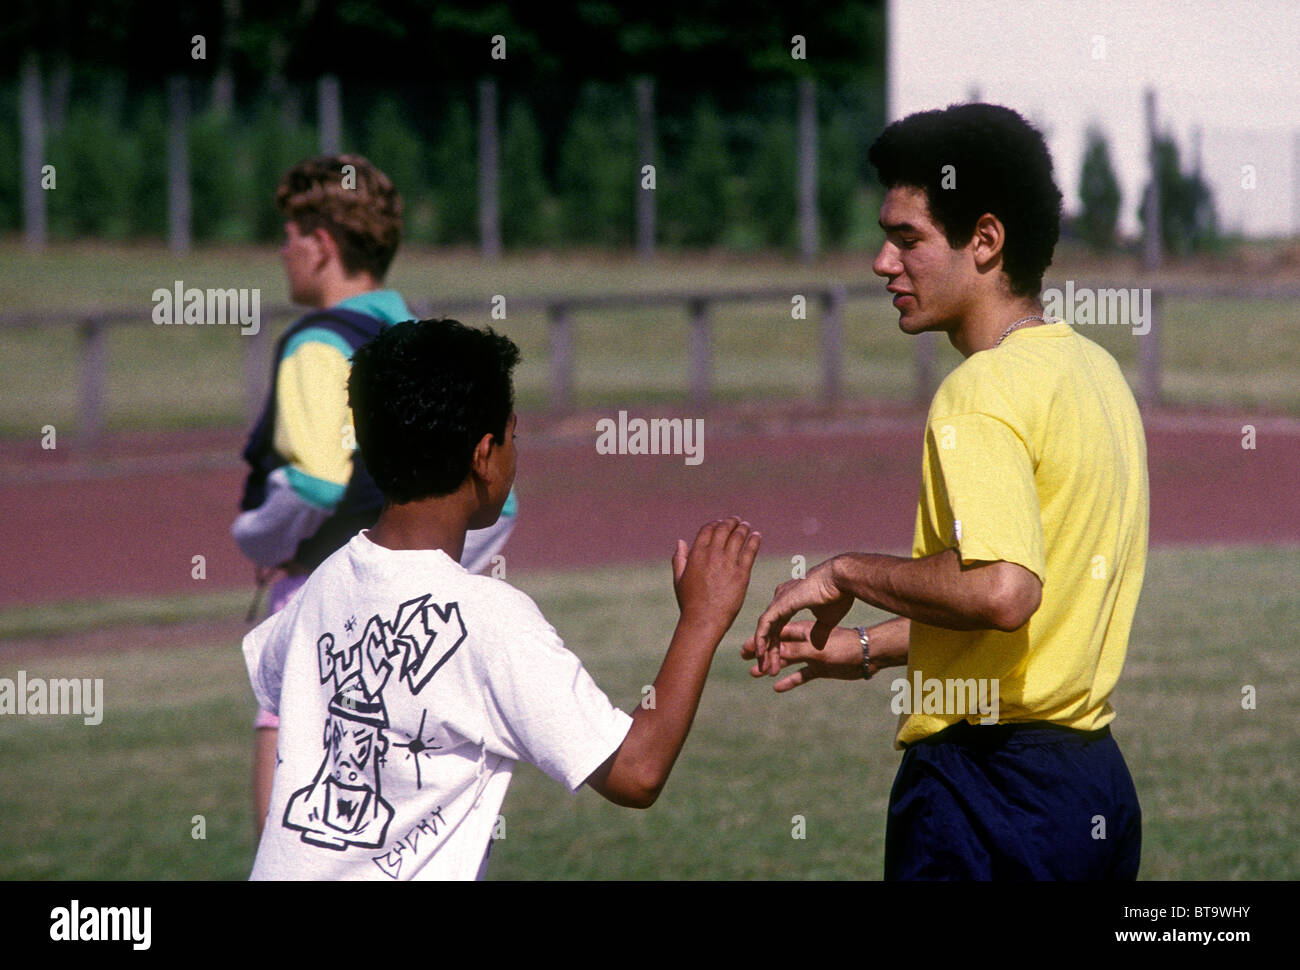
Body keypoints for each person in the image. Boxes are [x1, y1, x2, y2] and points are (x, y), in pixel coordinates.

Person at [745, 103, 1148, 880]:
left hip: (986, 793)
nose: (881, 263)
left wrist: (844, 572)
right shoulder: (1096, 376)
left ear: (986, 241)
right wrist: (864, 650)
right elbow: (1039, 610)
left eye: (907, 239)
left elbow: (1003, 592)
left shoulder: (982, 390)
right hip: (1091, 785)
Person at [242, 318, 760, 879]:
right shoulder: (489, 619)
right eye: (515, 435)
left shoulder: (324, 582)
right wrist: (702, 619)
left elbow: (280, 684)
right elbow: (636, 771)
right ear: (484, 455)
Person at [233, 154, 517, 838]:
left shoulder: (315, 344)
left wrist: (255, 539)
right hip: (430, 623)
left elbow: (313, 484)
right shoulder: (425, 343)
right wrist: (437, 581)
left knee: (295, 823)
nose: (283, 251)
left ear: (322, 245)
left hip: (319, 602)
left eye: (291, 235)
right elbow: (498, 500)